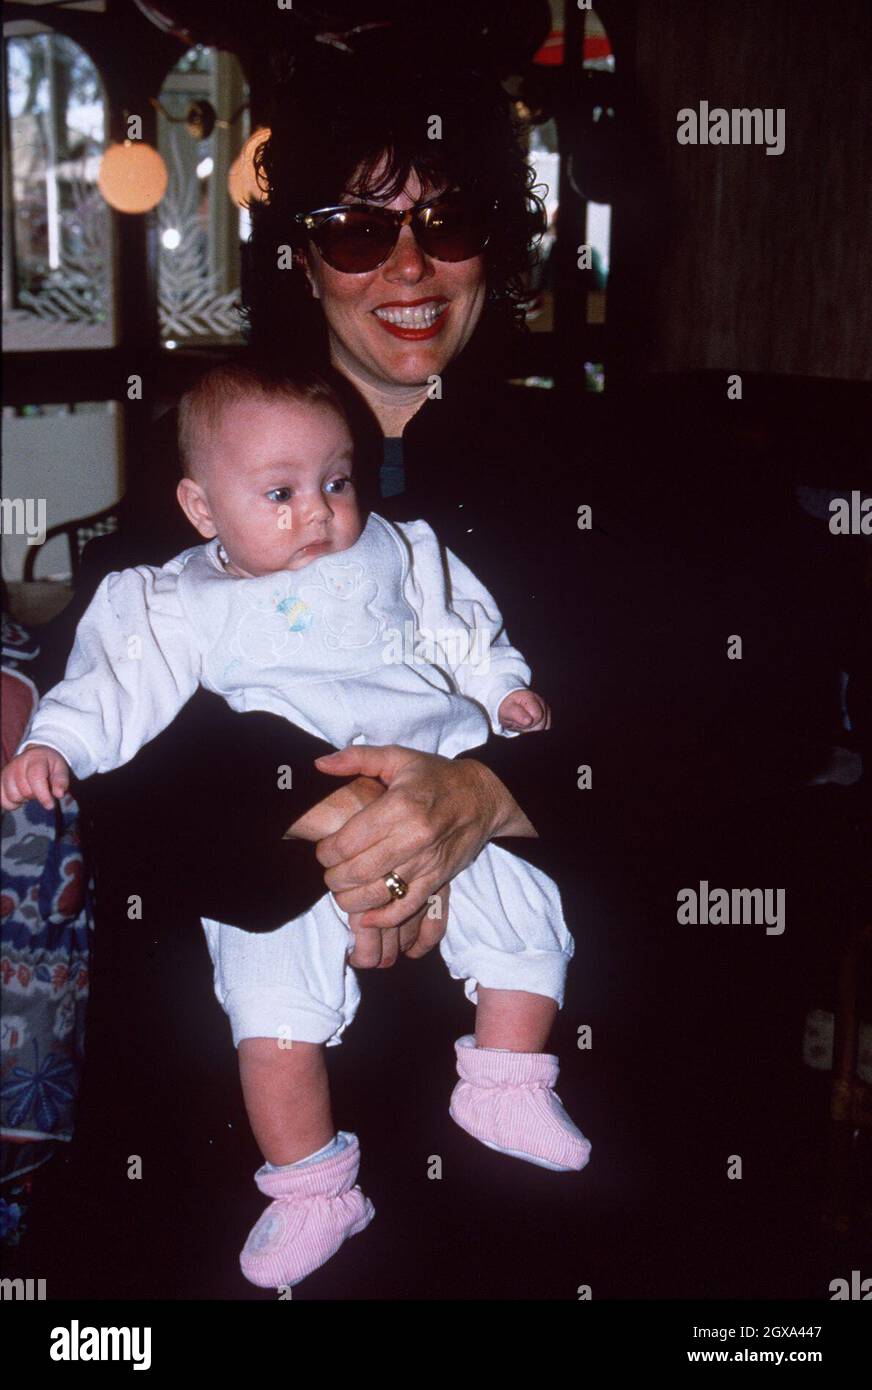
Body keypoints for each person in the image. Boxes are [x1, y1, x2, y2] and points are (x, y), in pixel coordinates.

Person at [30, 25, 864, 1295]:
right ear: (301, 253)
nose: (408, 268)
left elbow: (758, 718)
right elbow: (128, 772)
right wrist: (349, 833)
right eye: (359, 229)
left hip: (539, 1095)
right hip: (258, 1100)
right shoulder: (197, 474)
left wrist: (487, 794)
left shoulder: (624, 470)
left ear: (504, 245)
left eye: (450, 219)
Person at [3, 363, 591, 1288]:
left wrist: (504, 691)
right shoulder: (171, 599)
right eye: (279, 493)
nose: (317, 512)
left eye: (337, 482)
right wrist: (55, 746)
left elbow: (460, 630)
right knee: (272, 1020)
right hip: (292, 850)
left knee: (530, 926)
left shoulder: (399, 552)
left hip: (449, 795)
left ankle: (506, 1082)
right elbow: (111, 688)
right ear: (201, 509)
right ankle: (312, 1186)